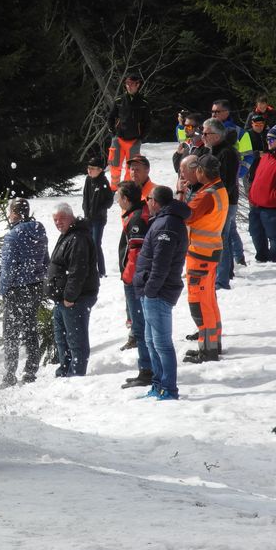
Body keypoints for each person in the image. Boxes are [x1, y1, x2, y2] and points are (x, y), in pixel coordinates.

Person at [133, 186, 190, 401]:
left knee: (162, 343)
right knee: (150, 341)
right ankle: (157, 385)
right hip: (152, 291)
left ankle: (169, 388)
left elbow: (161, 264)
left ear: (155, 202)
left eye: (148, 199)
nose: (146, 202)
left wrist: (150, 290)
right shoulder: (163, 220)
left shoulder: (167, 224)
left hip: (158, 292)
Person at [0, 198, 50, 386]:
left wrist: (3, 289)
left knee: (11, 332)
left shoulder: (13, 236)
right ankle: (30, 371)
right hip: (35, 287)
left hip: (16, 290)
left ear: (15, 213)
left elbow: (8, 267)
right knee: (31, 329)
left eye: (10, 212)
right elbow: (46, 260)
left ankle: (10, 374)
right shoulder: (40, 231)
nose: (10, 216)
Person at [183, 153, 228, 364]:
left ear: (202, 172)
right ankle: (213, 343)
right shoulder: (219, 189)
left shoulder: (206, 195)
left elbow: (187, 215)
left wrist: (179, 194)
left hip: (200, 255)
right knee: (209, 300)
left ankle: (207, 349)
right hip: (210, 252)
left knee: (199, 302)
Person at [45, 203, 99, 377]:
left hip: (76, 299)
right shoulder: (68, 235)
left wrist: (69, 296)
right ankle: (65, 369)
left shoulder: (78, 238)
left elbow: (78, 271)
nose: (58, 223)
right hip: (63, 299)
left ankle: (76, 374)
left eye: (61, 218)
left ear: (71, 217)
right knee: (62, 338)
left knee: (76, 340)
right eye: (55, 220)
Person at [116, 181, 152, 386]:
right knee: (141, 325)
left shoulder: (137, 218)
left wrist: (128, 278)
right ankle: (146, 368)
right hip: (137, 279)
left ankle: (147, 370)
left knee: (140, 326)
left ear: (126, 199)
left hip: (136, 281)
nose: (117, 201)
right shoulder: (135, 214)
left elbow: (136, 254)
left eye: (119, 197)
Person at [199, 118, 240, 291]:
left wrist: (215, 200)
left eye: (206, 133)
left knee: (220, 239)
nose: (203, 136)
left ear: (216, 135)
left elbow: (227, 182)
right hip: (219, 201)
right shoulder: (212, 151)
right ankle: (225, 273)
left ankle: (221, 280)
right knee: (222, 238)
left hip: (225, 202)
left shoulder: (227, 153)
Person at [248, 122, 276, 262]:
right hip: (256, 205)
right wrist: (252, 194)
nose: (268, 142)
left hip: (272, 207)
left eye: (271, 140)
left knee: (275, 237)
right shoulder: (267, 156)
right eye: (267, 139)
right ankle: (261, 259)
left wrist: (273, 198)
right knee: (256, 233)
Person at [107, 73, 150, 190]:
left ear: (138, 85)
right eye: (127, 84)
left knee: (131, 168)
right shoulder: (119, 100)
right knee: (115, 166)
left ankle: (127, 189)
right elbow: (110, 117)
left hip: (134, 141)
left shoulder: (144, 102)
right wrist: (113, 134)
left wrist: (141, 137)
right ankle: (113, 189)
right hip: (119, 139)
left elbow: (148, 122)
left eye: (131, 84)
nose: (129, 86)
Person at [82, 156, 114, 277]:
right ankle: (90, 269)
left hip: (98, 219)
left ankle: (101, 271)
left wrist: (99, 209)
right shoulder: (88, 180)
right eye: (88, 168)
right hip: (88, 218)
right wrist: (85, 210)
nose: (89, 171)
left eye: (92, 168)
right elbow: (85, 196)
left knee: (96, 244)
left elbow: (110, 201)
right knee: (88, 243)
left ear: (100, 170)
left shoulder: (103, 182)